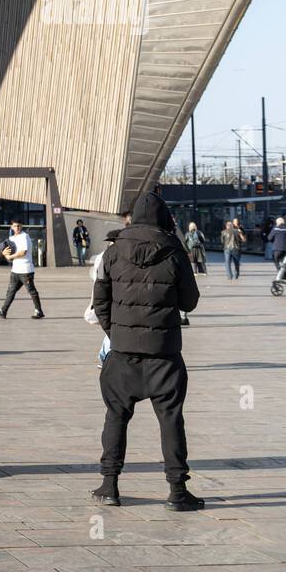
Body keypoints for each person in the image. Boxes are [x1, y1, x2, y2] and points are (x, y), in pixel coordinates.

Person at [90, 192, 202, 511]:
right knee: (171, 420)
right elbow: (189, 302)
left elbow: (100, 300)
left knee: (115, 417)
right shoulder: (175, 251)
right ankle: (178, 492)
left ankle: (109, 486)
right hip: (165, 355)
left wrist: (116, 333)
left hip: (122, 355)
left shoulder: (112, 252)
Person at [0, 220, 44, 319]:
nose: (17, 228)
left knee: (31, 290)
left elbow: (23, 252)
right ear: (12, 227)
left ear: (22, 226)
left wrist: (10, 257)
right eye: (15, 226)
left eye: (19, 226)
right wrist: (4, 253)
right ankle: (3, 311)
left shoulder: (25, 236)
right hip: (15, 270)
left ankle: (39, 311)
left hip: (26, 270)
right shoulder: (11, 238)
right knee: (11, 291)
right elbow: (3, 249)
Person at [85, 230, 121, 368]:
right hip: (108, 296)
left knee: (112, 328)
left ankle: (104, 354)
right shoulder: (105, 256)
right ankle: (104, 355)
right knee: (113, 328)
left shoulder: (104, 255)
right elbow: (99, 279)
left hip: (107, 295)